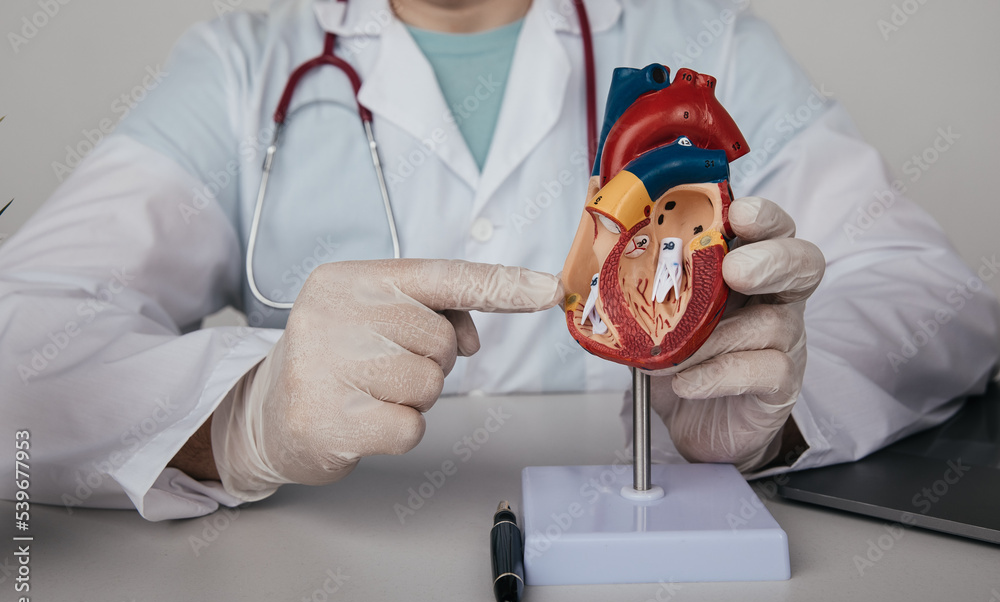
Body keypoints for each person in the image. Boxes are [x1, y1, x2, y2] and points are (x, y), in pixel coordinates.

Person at [1, 0, 997, 521]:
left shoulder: (707, 49)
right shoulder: (241, 71)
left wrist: (777, 402)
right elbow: (21, 343)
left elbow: (938, 297)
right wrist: (241, 417)